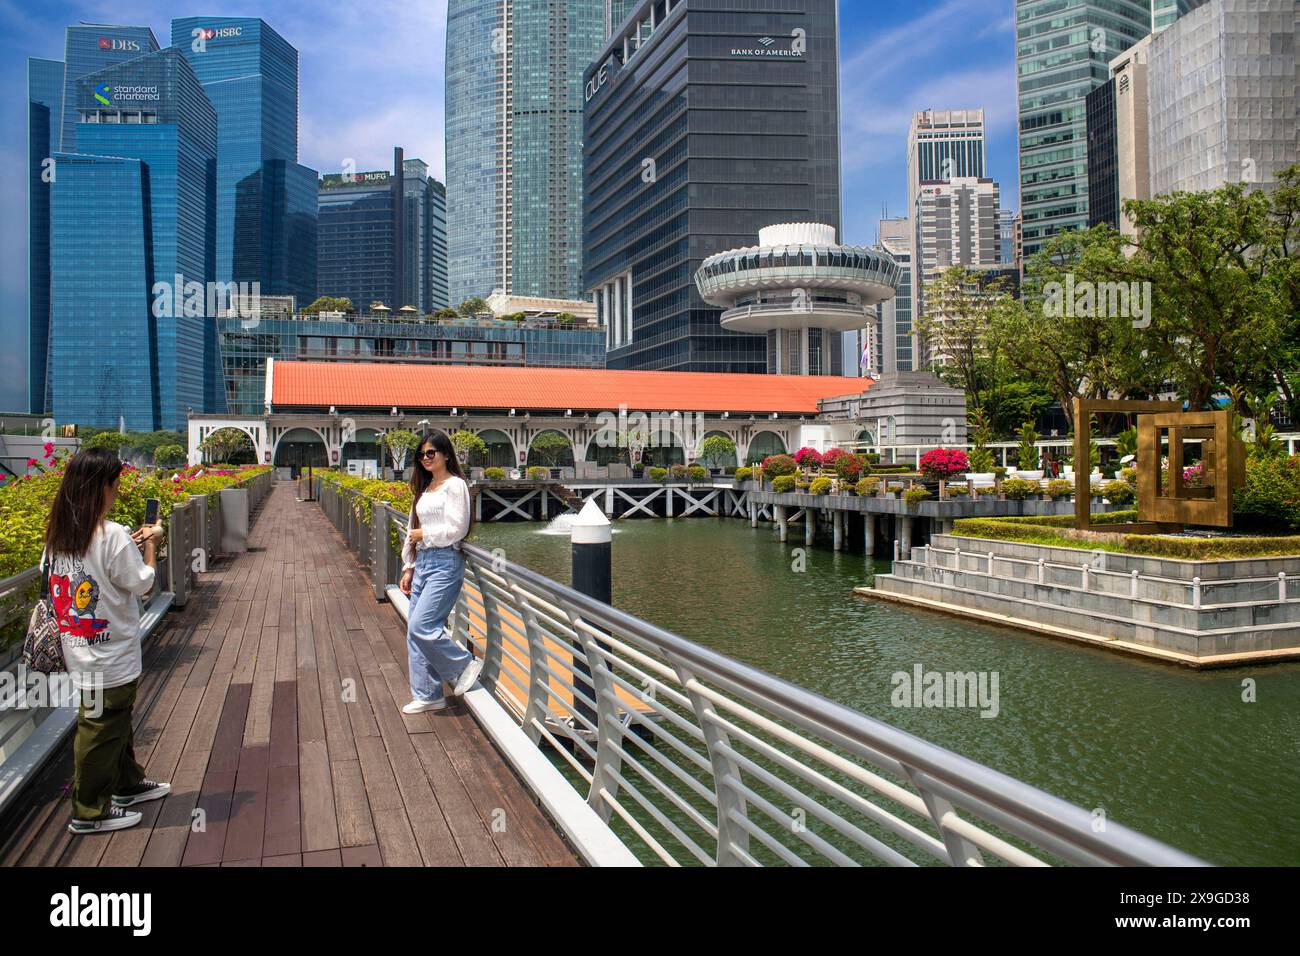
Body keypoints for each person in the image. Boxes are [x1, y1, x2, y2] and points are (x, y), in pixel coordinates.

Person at [46, 447, 171, 834]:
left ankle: (127, 784)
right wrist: (153, 541)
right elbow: (143, 583)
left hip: (79, 648)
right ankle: (89, 810)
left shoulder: (59, 537)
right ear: (101, 488)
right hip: (112, 652)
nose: (118, 491)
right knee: (99, 728)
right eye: (115, 485)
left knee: (113, 720)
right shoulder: (112, 535)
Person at [398, 431, 483, 714]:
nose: (425, 458)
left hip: (446, 563)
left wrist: (427, 534)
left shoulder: (455, 485)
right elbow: (412, 531)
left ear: (446, 454)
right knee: (415, 631)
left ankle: (463, 664)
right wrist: (409, 566)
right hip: (422, 562)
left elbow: (458, 528)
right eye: (421, 455)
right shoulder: (425, 488)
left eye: (431, 453)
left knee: (423, 626)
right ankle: (428, 694)